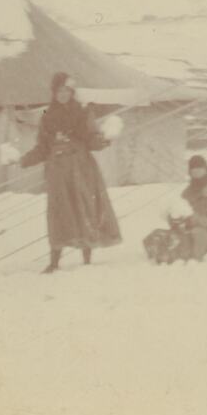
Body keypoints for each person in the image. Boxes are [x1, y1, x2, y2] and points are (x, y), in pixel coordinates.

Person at [20, 71, 122, 273]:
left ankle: (86, 259)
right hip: (58, 171)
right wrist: (25, 160)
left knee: (84, 207)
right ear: (54, 92)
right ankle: (54, 262)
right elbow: (43, 147)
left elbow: (91, 140)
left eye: (67, 90)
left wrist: (104, 140)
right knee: (58, 212)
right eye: (60, 90)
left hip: (81, 167)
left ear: (72, 92)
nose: (63, 94)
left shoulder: (83, 112)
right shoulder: (47, 116)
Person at [144, 154, 207, 264]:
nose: (197, 176)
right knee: (156, 235)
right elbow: (179, 211)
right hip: (187, 231)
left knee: (195, 235)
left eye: (200, 172)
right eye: (194, 172)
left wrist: (195, 219)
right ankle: (161, 255)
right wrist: (174, 219)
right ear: (190, 174)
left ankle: (177, 257)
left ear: (206, 172)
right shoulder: (187, 193)